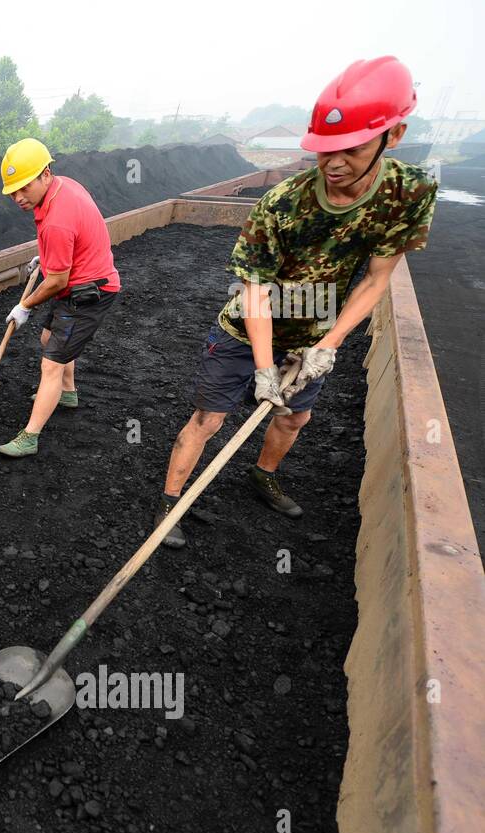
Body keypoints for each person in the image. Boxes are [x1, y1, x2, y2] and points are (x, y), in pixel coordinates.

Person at [155, 56, 437, 547]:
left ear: (393, 137)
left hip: (314, 333)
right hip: (245, 330)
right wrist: (265, 368)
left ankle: (262, 475)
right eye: (326, 150)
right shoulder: (284, 202)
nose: (334, 163)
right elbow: (255, 291)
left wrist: (327, 344)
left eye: (351, 149)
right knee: (210, 418)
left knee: (293, 417)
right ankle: (170, 501)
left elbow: (377, 278)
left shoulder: (407, 193)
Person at [0, 138, 121, 458]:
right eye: (13, 191)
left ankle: (30, 436)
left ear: (45, 175)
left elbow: (57, 281)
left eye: (24, 188)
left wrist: (24, 306)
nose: (18, 197)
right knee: (50, 336)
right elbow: (75, 234)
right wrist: (47, 255)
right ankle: (67, 392)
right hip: (81, 278)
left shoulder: (56, 222)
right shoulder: (64, 186)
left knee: (50, 363)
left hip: (89, 290)